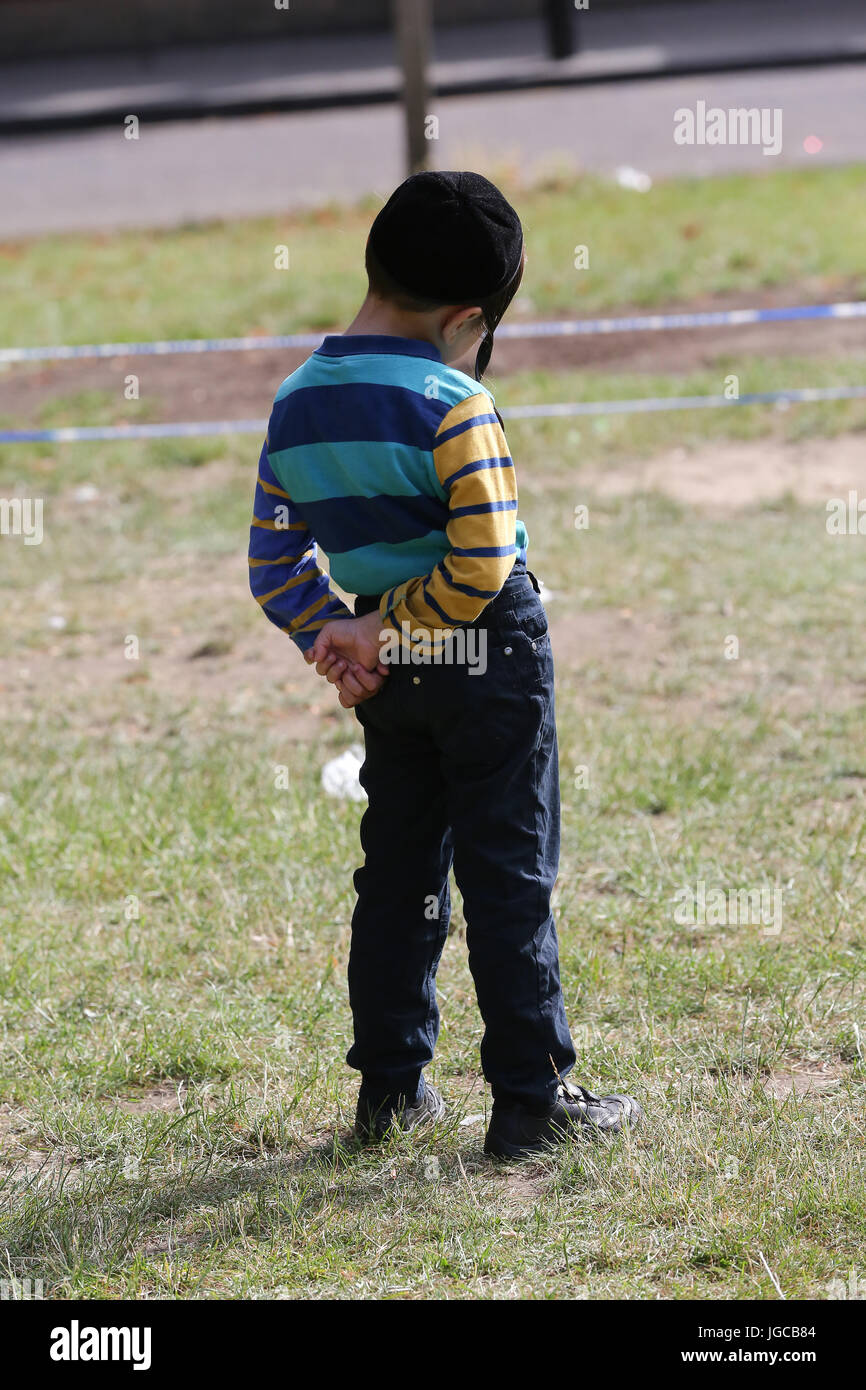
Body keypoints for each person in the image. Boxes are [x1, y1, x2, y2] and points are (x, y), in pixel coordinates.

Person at [249, 171, 642, 1158]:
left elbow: (271, 561)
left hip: (388, 671)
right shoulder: (454, 403)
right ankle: (530, 1099)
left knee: (396, 874)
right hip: (482, 649)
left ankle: (389, 1090)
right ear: (469, 316)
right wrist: (390, 633)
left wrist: (334, 638)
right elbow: (478, 564)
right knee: (508, 871)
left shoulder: (297, 402)